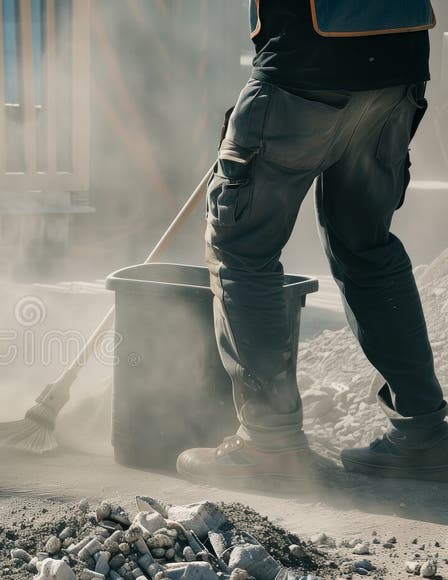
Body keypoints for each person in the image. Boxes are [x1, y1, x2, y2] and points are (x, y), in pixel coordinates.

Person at [175, 0, 448, 488]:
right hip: (398, 66)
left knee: (242, 248)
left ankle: (269, 444)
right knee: (365, 247)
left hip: (305, 66)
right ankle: (424, 433)